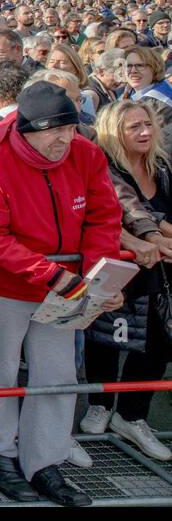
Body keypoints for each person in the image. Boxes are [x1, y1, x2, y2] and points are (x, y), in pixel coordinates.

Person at [0, 82, 123, 506]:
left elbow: (105, 214)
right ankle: (0, 454)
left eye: (70, 129)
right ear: (26, 129)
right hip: (2, 287)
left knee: (57, 376)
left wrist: (98, 276)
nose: (64, 140)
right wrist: (50, 273)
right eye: (54, 131)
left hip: (66, 287)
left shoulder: (86, 153)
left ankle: (45, 462)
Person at [82, 100, 172, 461]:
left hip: (162, 272)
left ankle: (132, 415)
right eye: (134, 127)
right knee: (105, 337)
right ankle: (99, 403)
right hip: (121, 265)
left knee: (160, 341)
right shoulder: (104, 165)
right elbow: (121, 209)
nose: (145, 132)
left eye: (147, 125)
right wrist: (156, 234)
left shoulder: (162, 167)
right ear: (113, 131)